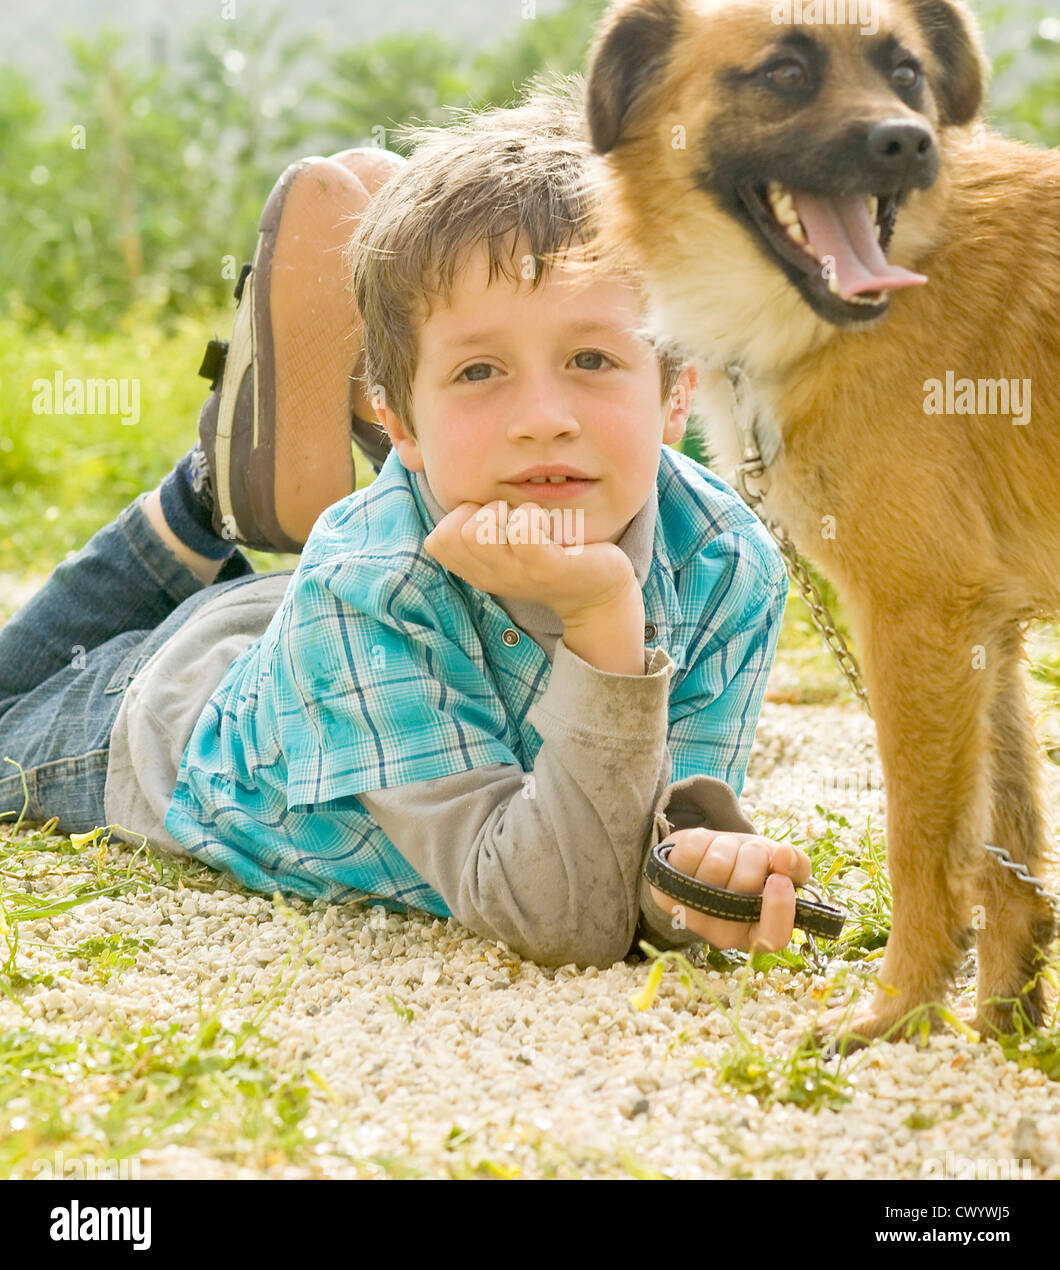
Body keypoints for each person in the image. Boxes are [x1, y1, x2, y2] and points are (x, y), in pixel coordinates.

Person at [0, 73, 809, 969]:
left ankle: (357, 388)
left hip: (302, 630)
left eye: (590, 357)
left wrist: (698, 876)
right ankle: (208, 492)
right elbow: (564, 915)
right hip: (156, 719)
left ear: (676, 391)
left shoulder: (728, 564)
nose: (544, 416)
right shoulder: (369, 589)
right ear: (397, 426)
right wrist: (602, 620)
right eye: (481, 371)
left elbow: (631, 854)